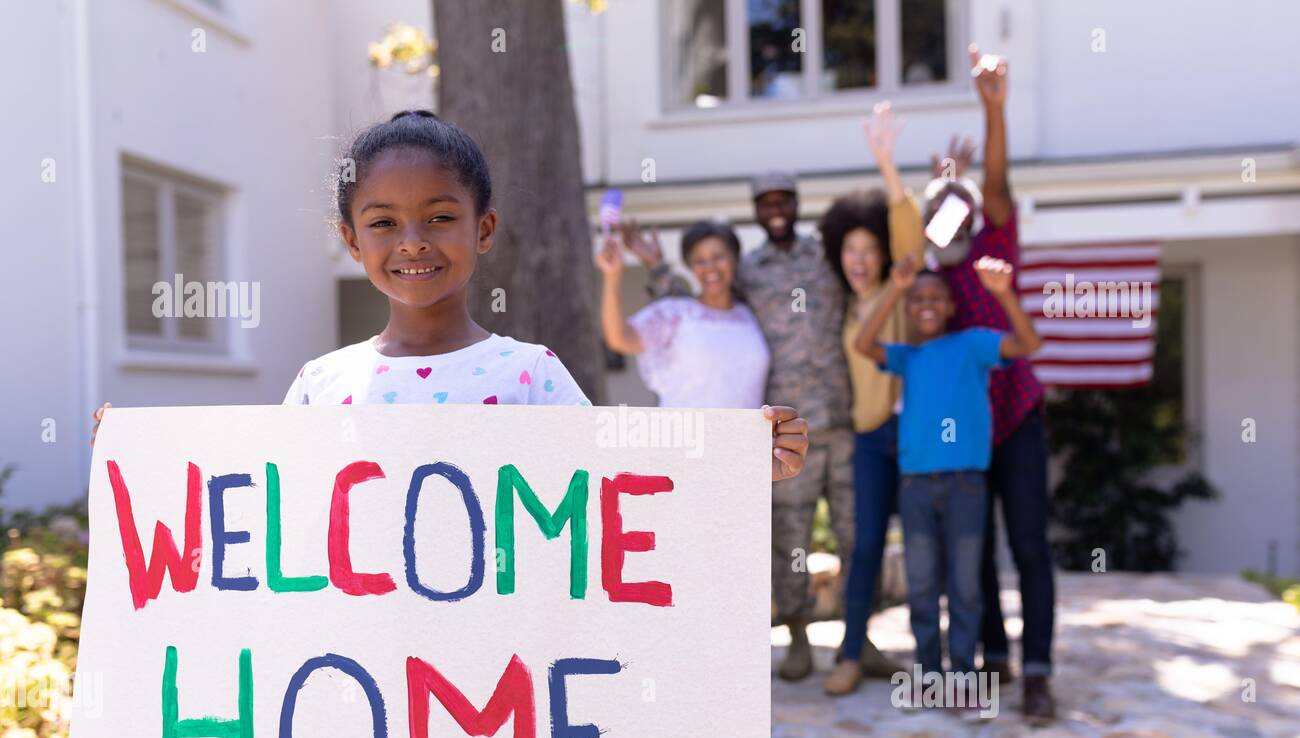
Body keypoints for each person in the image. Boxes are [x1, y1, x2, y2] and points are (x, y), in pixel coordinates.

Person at [91, 111, 810, 486]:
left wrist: (739, 465)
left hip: (499, 698)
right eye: (383, 222)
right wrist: (144, 462)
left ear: (483, 228)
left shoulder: (530, 375)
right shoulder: (321, 385)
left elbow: (616, 485)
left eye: (439, 216)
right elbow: (266, 504)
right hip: (362, 689)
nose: (412, 241)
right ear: (351, 240)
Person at [622, 121, 894, 683]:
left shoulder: (825, 258)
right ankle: (795, 637)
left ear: (795, 205)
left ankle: (859, 637)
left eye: (783, 201)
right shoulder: (747, 272)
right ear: (756, 209)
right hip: (786, 430)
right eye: (765, 203)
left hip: (840, 419)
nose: (775, 209)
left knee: (856, 533)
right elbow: (701, 302)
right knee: (789, 539)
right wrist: (654, 268)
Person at [921, 47, 1059, 722]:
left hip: (1020, 415)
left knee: (1029, 544)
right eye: (935, 209)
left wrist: (993, 109)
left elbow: (996, 182)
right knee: (972, 551)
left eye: (957, 205)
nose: (947, 216)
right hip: (966, 428)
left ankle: (1036, 671)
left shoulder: (994, 244)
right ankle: (995, 658)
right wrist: (933, 188)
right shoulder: (933, 283)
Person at [854, 255, 1041, 690]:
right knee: (920, 589)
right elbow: (863, 344)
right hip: (915, 487)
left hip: (966, 486)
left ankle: (960, 677)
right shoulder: (907, 356)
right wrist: (895, 290)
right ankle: (926, 676)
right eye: (918, 299)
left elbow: (1028, 344)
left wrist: (1003, 293)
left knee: (965, 589)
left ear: (952, 306)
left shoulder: (973, 345)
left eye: (936, 297)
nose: (926, 304)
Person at [818, 102, 922, 696]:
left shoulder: (901, 289)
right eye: (849, 252)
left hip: (916, 435)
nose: (859, 261)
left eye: (869, 250)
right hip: (868, 437)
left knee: (928, 549)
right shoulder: (843, 303)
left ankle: (941, 657)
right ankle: (851, 653)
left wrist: (886, 164)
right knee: (863, 547)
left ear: (882, 253)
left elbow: (910, 230)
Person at [596, 220, 769, 408]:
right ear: (691, 267)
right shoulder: (675, 313)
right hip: (687, 435)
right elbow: (619, 338)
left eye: (718, 257)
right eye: (700, 261)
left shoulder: (751, 313)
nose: (710, 267)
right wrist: (612, 276)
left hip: (744, 435)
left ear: (735, 259)